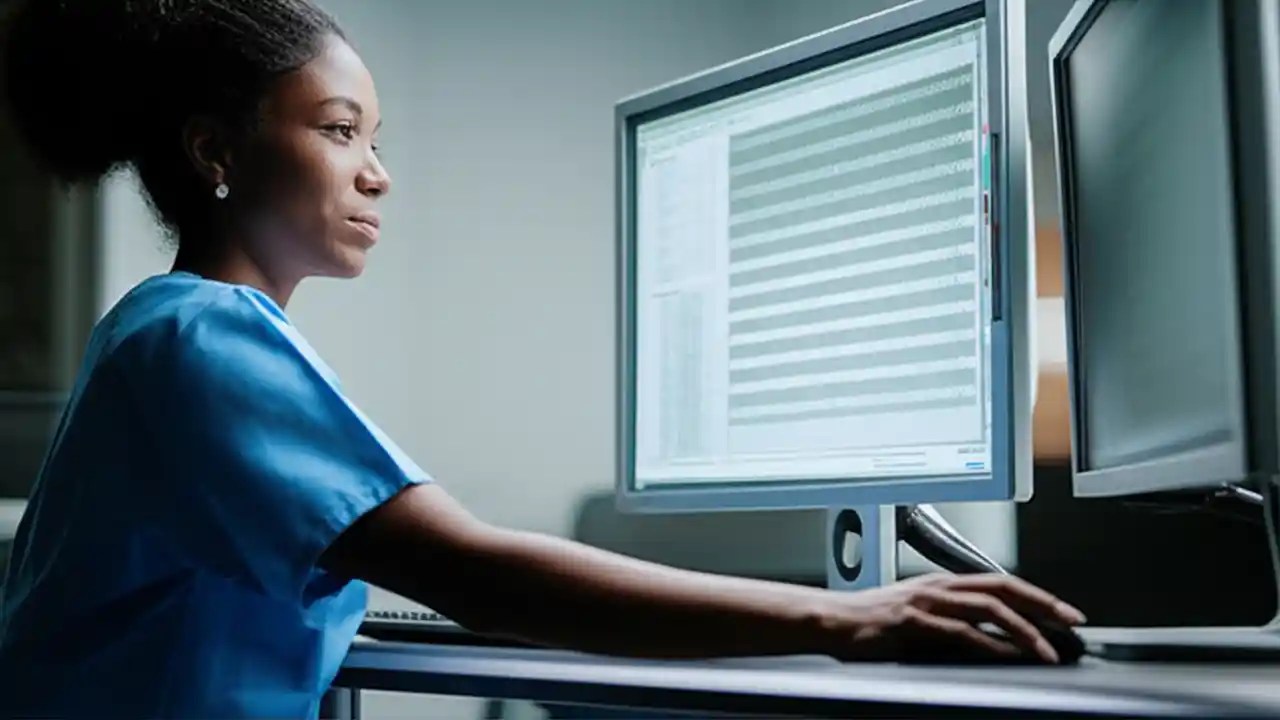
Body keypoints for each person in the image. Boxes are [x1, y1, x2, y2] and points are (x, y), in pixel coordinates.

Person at [0, 1, 1085, 717]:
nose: (377, 174)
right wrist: (844, 618)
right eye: (338, 131)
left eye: (378, 141)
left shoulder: (160, 328)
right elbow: (470, 568)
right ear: (215, 151)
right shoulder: (201, 338)